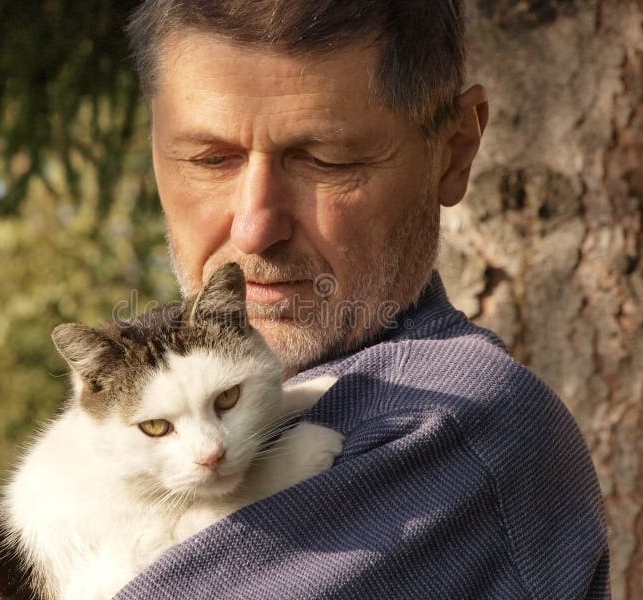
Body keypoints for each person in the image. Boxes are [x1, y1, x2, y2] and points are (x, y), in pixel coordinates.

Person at [117, 1, 610, 598]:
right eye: (209, 159)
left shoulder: (440, 426)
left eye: (326, 161)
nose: (254, 227)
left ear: (453, 152)